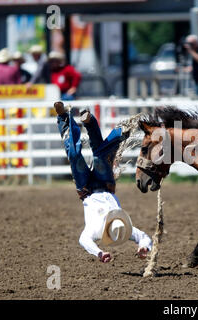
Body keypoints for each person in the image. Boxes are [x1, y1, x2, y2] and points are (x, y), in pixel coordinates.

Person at [53, 101, 152, 263]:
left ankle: (66, 119)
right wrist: (144, 247)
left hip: (86, 189)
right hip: (105, 185)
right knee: (99, 155)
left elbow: (83, 240)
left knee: (75, 156)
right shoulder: (124, 229)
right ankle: (94, 124)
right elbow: (144, 237)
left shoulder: (96, 230)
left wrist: (99, 253)